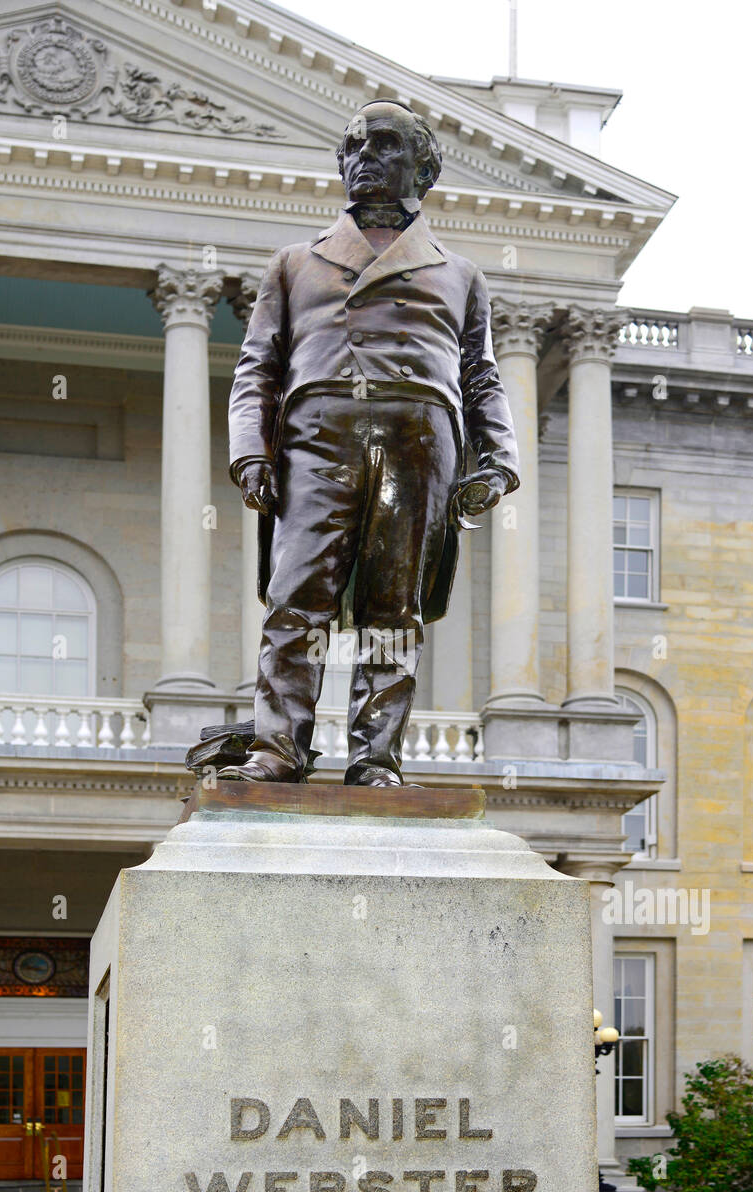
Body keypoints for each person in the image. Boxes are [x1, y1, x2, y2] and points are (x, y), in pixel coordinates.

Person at [221, 100, 519, 787]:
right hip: (317, 439)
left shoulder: (460, 273)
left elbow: (481, 375)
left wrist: (500, 460)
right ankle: (280, 747)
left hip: (420, 445)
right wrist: (249, 451)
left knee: (393, 609)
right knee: (298, 596)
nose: (363, 159)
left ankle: (375, 758)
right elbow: (257, 367)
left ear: (423, 167)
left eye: (383, 145)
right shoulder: (296, 263)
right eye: (352, 148)